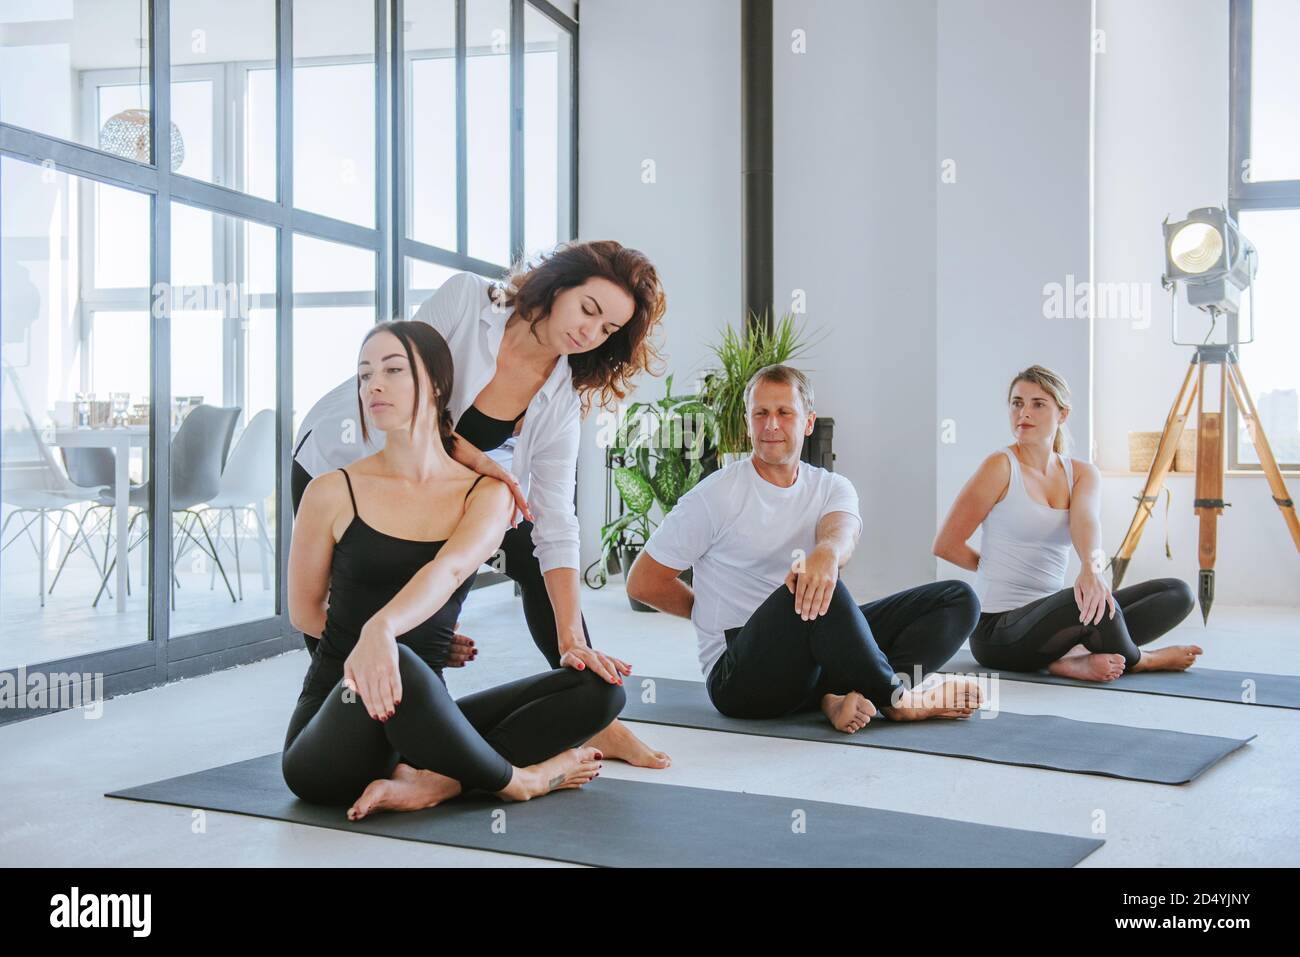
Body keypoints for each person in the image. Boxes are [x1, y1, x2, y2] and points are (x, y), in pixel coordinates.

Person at [291, 240, 671, 768]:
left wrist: (570, 641)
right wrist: (488, 465)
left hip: (441, 489)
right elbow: (399, 399)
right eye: (588, 310)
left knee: (535, 547)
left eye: (606, 330)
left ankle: (596, 719)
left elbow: (555, 520)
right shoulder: (468, 304)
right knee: (355, 677)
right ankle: (387, 736)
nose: (589, 332)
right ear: (559, 286)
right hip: (347, 460)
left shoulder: (560, 398)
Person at [283, 320, 624, 821]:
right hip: (334, 735)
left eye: (393, 370)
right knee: (400, 659)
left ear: (438, 386)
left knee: (599, 690)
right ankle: (518, 782)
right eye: (363, 374)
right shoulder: (332, 490)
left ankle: (437, 782)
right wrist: (378, 644)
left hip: (424, 727)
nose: (373, 385)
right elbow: (304, 613)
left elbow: (448, 571)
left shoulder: (483, 493)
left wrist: (388, 627)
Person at [626, 364, 983, 732]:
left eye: (785, 412)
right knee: (813, 591)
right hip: (742, 676)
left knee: (958, 600)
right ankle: (898, 701)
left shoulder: (831, 487)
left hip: (812, 653)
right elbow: (643, 581)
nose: (771, 425)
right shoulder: (716, 496)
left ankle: (838, 695)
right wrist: (706, 615)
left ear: (808, 422)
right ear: (748, 422)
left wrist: (826, 554)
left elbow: (841, 530)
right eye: (760, 413)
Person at [933, 364, 1202, 681]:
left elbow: (1084, 520)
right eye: (1017, 403)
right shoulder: (1000, 466)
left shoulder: (1082, 473)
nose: (1024, 413)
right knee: (1085, 605)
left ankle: (1067, 655)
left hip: (1054, 617)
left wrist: (1091, 568)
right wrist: (994, 566)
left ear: (1062, 414)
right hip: (997, 631)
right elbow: (946, 545)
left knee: (1177, 593)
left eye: (1038, 404)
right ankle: (1142, 659)